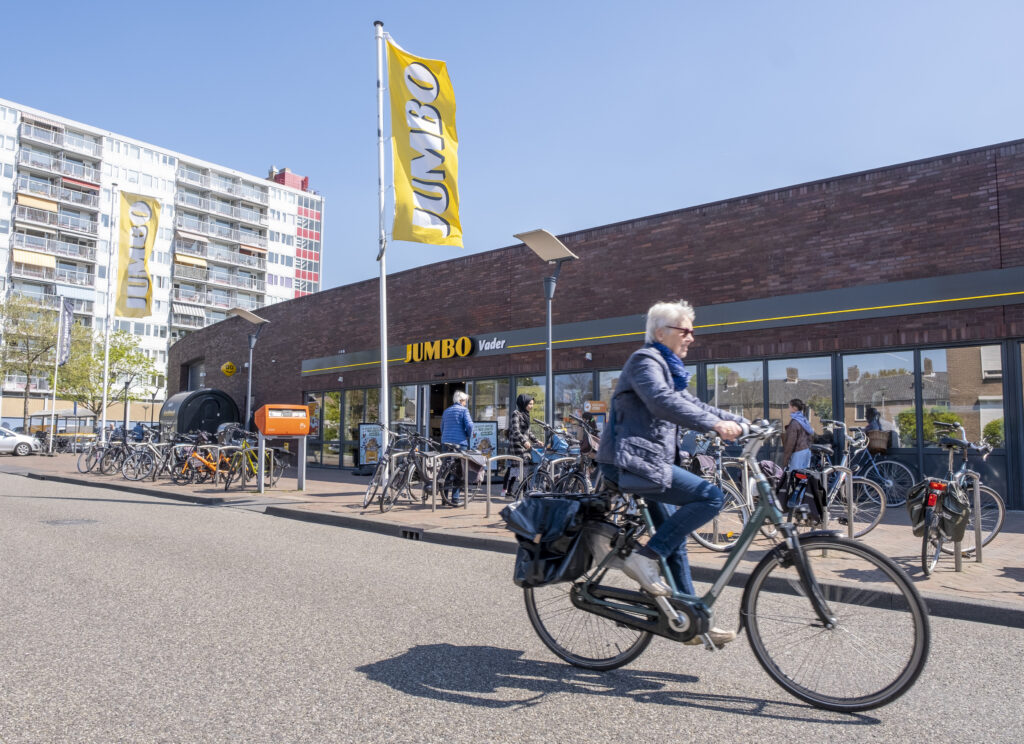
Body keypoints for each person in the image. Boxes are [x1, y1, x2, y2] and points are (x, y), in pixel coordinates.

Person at [597, 299, 746, 647]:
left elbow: (692, 404)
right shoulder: (644, 361)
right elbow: (662, 401)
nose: (692, 337)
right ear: (661, 332)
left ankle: (691, 621)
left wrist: (742, 422)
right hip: (629, 461)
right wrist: (714, 424)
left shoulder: (668, 367)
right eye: (686, 331)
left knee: (674, 541)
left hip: (649, 461)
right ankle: (645, 559)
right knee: (710, 496)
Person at [440, 390, 474, 506]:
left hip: (446, 443)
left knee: (446, 469)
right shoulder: (464, 410)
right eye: (465, 401)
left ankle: (444, 498)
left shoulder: (446, 411)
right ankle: (455, 498)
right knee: (459, 471)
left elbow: (442, 427)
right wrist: (467, 435)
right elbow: (470, 425)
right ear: (461, 401)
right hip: (459, 443)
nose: (465, 403)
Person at [504, 394, 542, 497]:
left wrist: (537, 440)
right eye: (530, 404)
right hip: (517, 444)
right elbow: (515, 430)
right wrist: (524, 441)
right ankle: (525, 491)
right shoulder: (516, 414)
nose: (531, 406)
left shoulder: (526, 414)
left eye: (532, 404)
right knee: (523, 464)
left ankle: (511, 491)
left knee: (517, 467)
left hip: (524, 444)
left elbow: (528, 432)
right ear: (523, 403)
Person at [781, 398, 813, 471]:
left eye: (789, 406)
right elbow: (810, 437)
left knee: (795, 476)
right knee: (804, 476)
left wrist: (785, 460)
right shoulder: (804, 420)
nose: (788, 408)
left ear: (794, 408)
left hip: (798, 453)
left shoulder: (794, 422)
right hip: (807, 451)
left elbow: (790, 443)